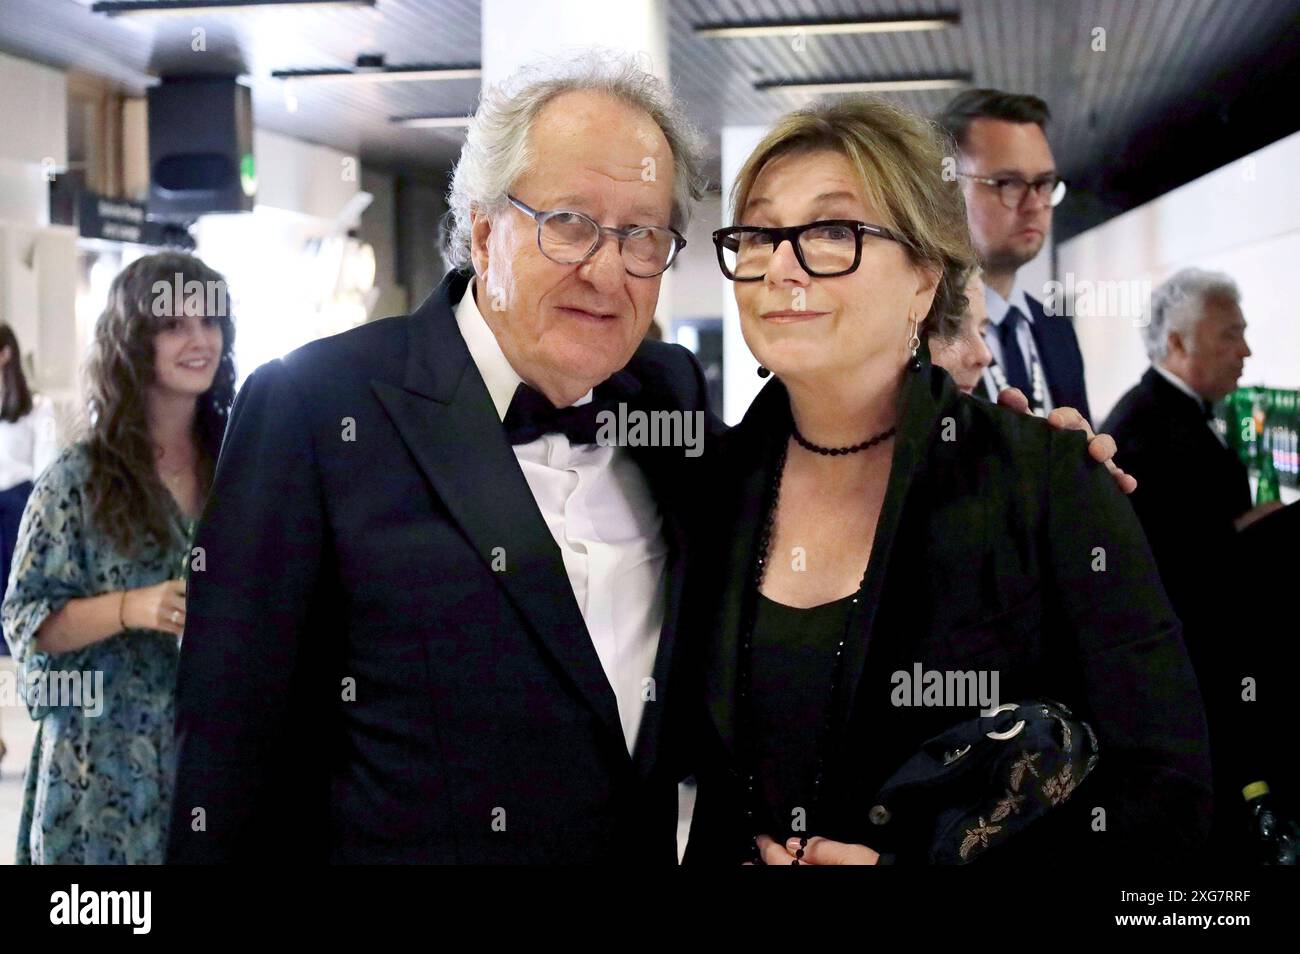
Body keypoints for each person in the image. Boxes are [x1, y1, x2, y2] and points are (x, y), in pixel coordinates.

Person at [166, 56, 717, 865]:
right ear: (486, 230)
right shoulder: (315, 408)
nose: (607, 270)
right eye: (569, 222)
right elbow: (227, 760)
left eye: (642, 235)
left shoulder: (667, 396)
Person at [684, 96, 1211, 866]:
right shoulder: (707, 489)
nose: (783, 265)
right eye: (760, 232)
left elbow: (1170, 797)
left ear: (925, 277)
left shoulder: (1049, 481)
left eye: (833, 232)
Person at [1, 251, 235, 863]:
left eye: (209, 322)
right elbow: (26, 620)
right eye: (175, 324)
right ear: (134, 340)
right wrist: (132, 606)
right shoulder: (78, 479)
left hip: (209, 765)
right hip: (96, 770)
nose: (199, 339)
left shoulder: (239, 466)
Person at [1102, 268, 1298, 856]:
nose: (1246, 351)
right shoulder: (1145, 429)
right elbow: (1178, 566)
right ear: (1179, 342)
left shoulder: (1172, 414)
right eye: (1230, 335)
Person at [938, 89, 1091, 422]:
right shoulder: (922, 334)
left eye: (1044, 183)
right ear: (946, 188)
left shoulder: (1056, 330)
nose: (1035, 204)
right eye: (1008, 183)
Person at [930, 268, 1135, 492]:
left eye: (983, 332)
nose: (985, 355)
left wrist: (1082, 491)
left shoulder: (1058, 327)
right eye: (950, 328)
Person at [0, 323, 59, 767]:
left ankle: (46, 725)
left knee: (22, 628)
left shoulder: (36, 409)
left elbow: (45, 472)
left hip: (17, 517)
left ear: (5, 354)